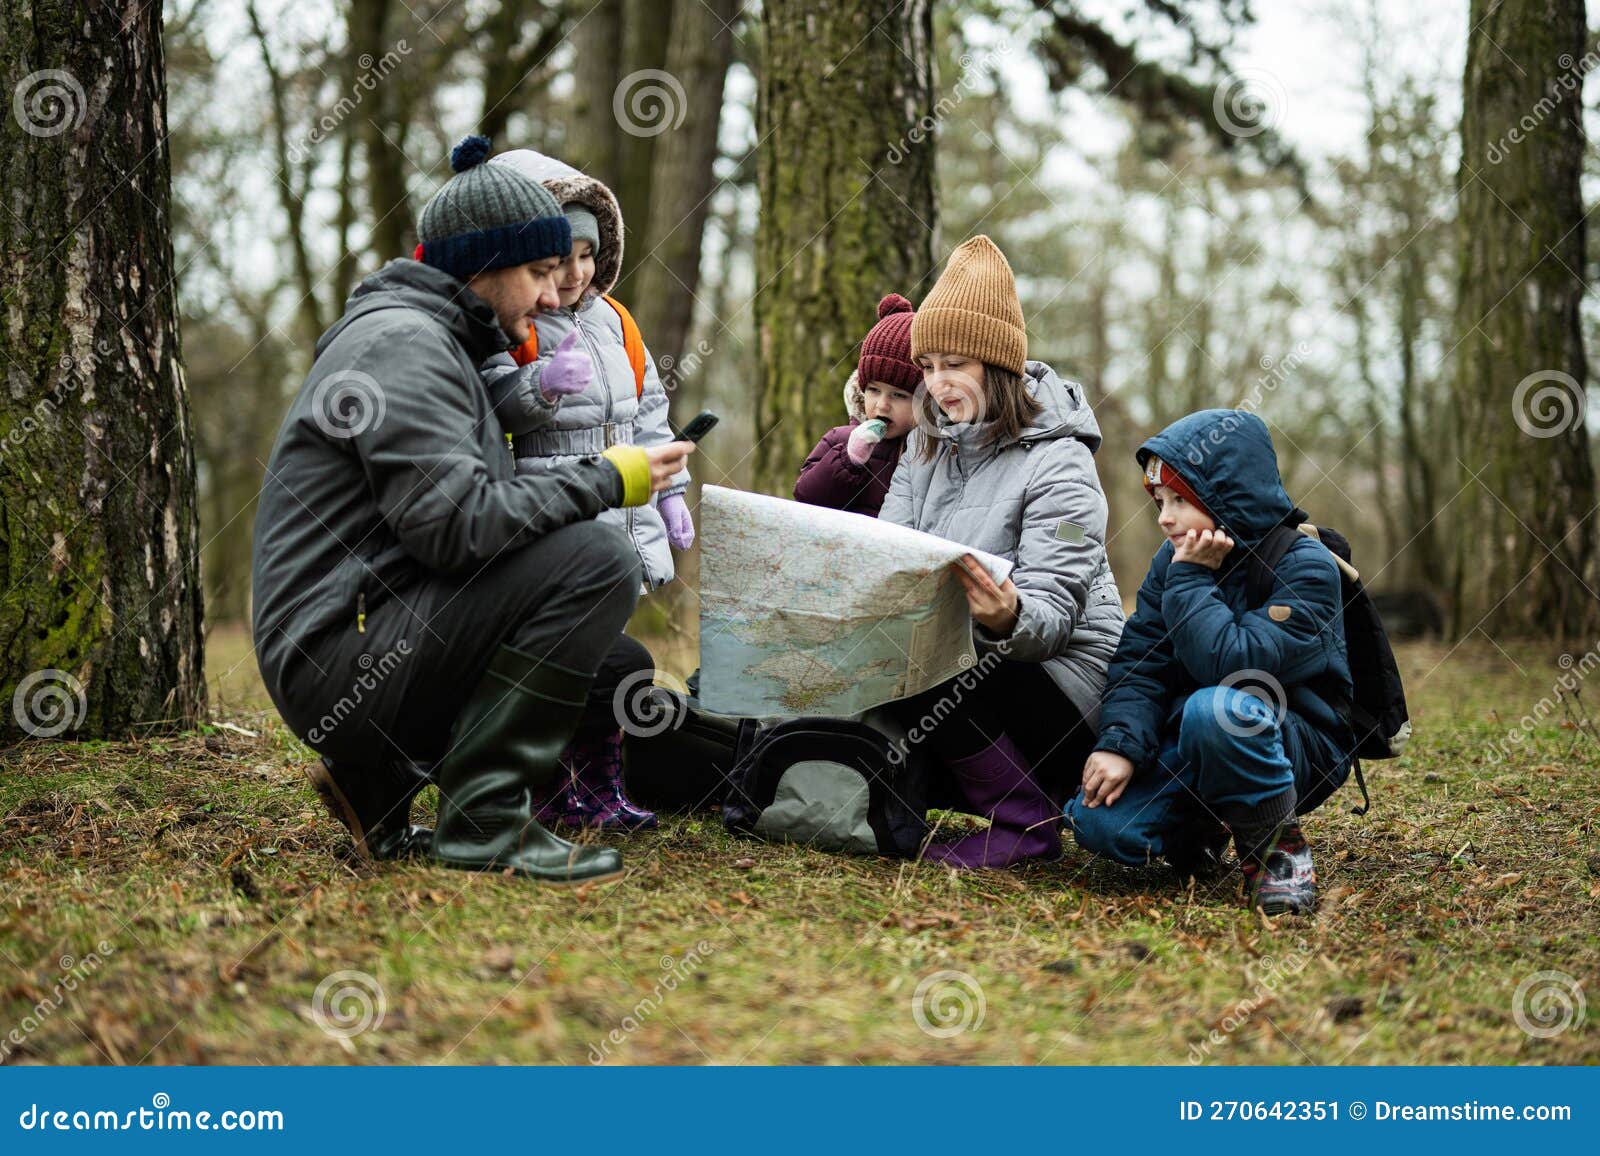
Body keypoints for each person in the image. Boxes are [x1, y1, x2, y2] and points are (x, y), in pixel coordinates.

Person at [250, 135, 693, 883]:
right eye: (539, 274)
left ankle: (377, 784)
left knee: (611, 659)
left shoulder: (434, 339)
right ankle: (485, 820)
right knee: (599, 557)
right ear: (483, 267)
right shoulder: (406, 347)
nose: (555, 297)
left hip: (359, 634)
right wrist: (605, 480)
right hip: (335, 658)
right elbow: (457, 528)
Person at [878, 236, 1124, 869]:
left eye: (954, 364)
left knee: (927, 662)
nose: (936, 384)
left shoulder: (1061, 461)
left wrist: (1005, 616)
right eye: (926, 366)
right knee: (886, 654)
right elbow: (887, 551)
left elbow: (1052, 619)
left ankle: (1025, 826)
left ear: (999, 365)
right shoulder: (925, 447)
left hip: (1069, 693)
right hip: (974, 666)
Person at [475, 148, 693, 832]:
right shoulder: (512, 323)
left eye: (588, 256)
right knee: (569, 663)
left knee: (609, 657)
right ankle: (545, 785)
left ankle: (600, 786)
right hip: (554, 506)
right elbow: (490, 407)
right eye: (559, 257)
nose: (575, 274)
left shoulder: (618, 323)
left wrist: (673, 493)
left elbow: (650, 410)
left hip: (625, 510)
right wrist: (540, 388)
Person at [1066, 410, 1354, 914]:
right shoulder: (1170, 562)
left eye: (1180, 500)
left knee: (1217, 709)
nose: (1165, 518)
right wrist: (1121, 746)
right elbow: (1141, 664)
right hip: (1196, 735)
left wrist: (1192, 580)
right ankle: (1208, 826)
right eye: (1160, 501)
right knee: (1103, 828)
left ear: (1226, 499)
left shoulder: (1305, 565)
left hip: (1294, 738)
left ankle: (1277, 857)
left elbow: (1236, 663)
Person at [794, 294, 919, 517]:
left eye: (898, 395)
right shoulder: (839, 440)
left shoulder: (928, 452)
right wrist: (847, 462)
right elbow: (806, 497)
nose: (882, 405)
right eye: (874, 390)